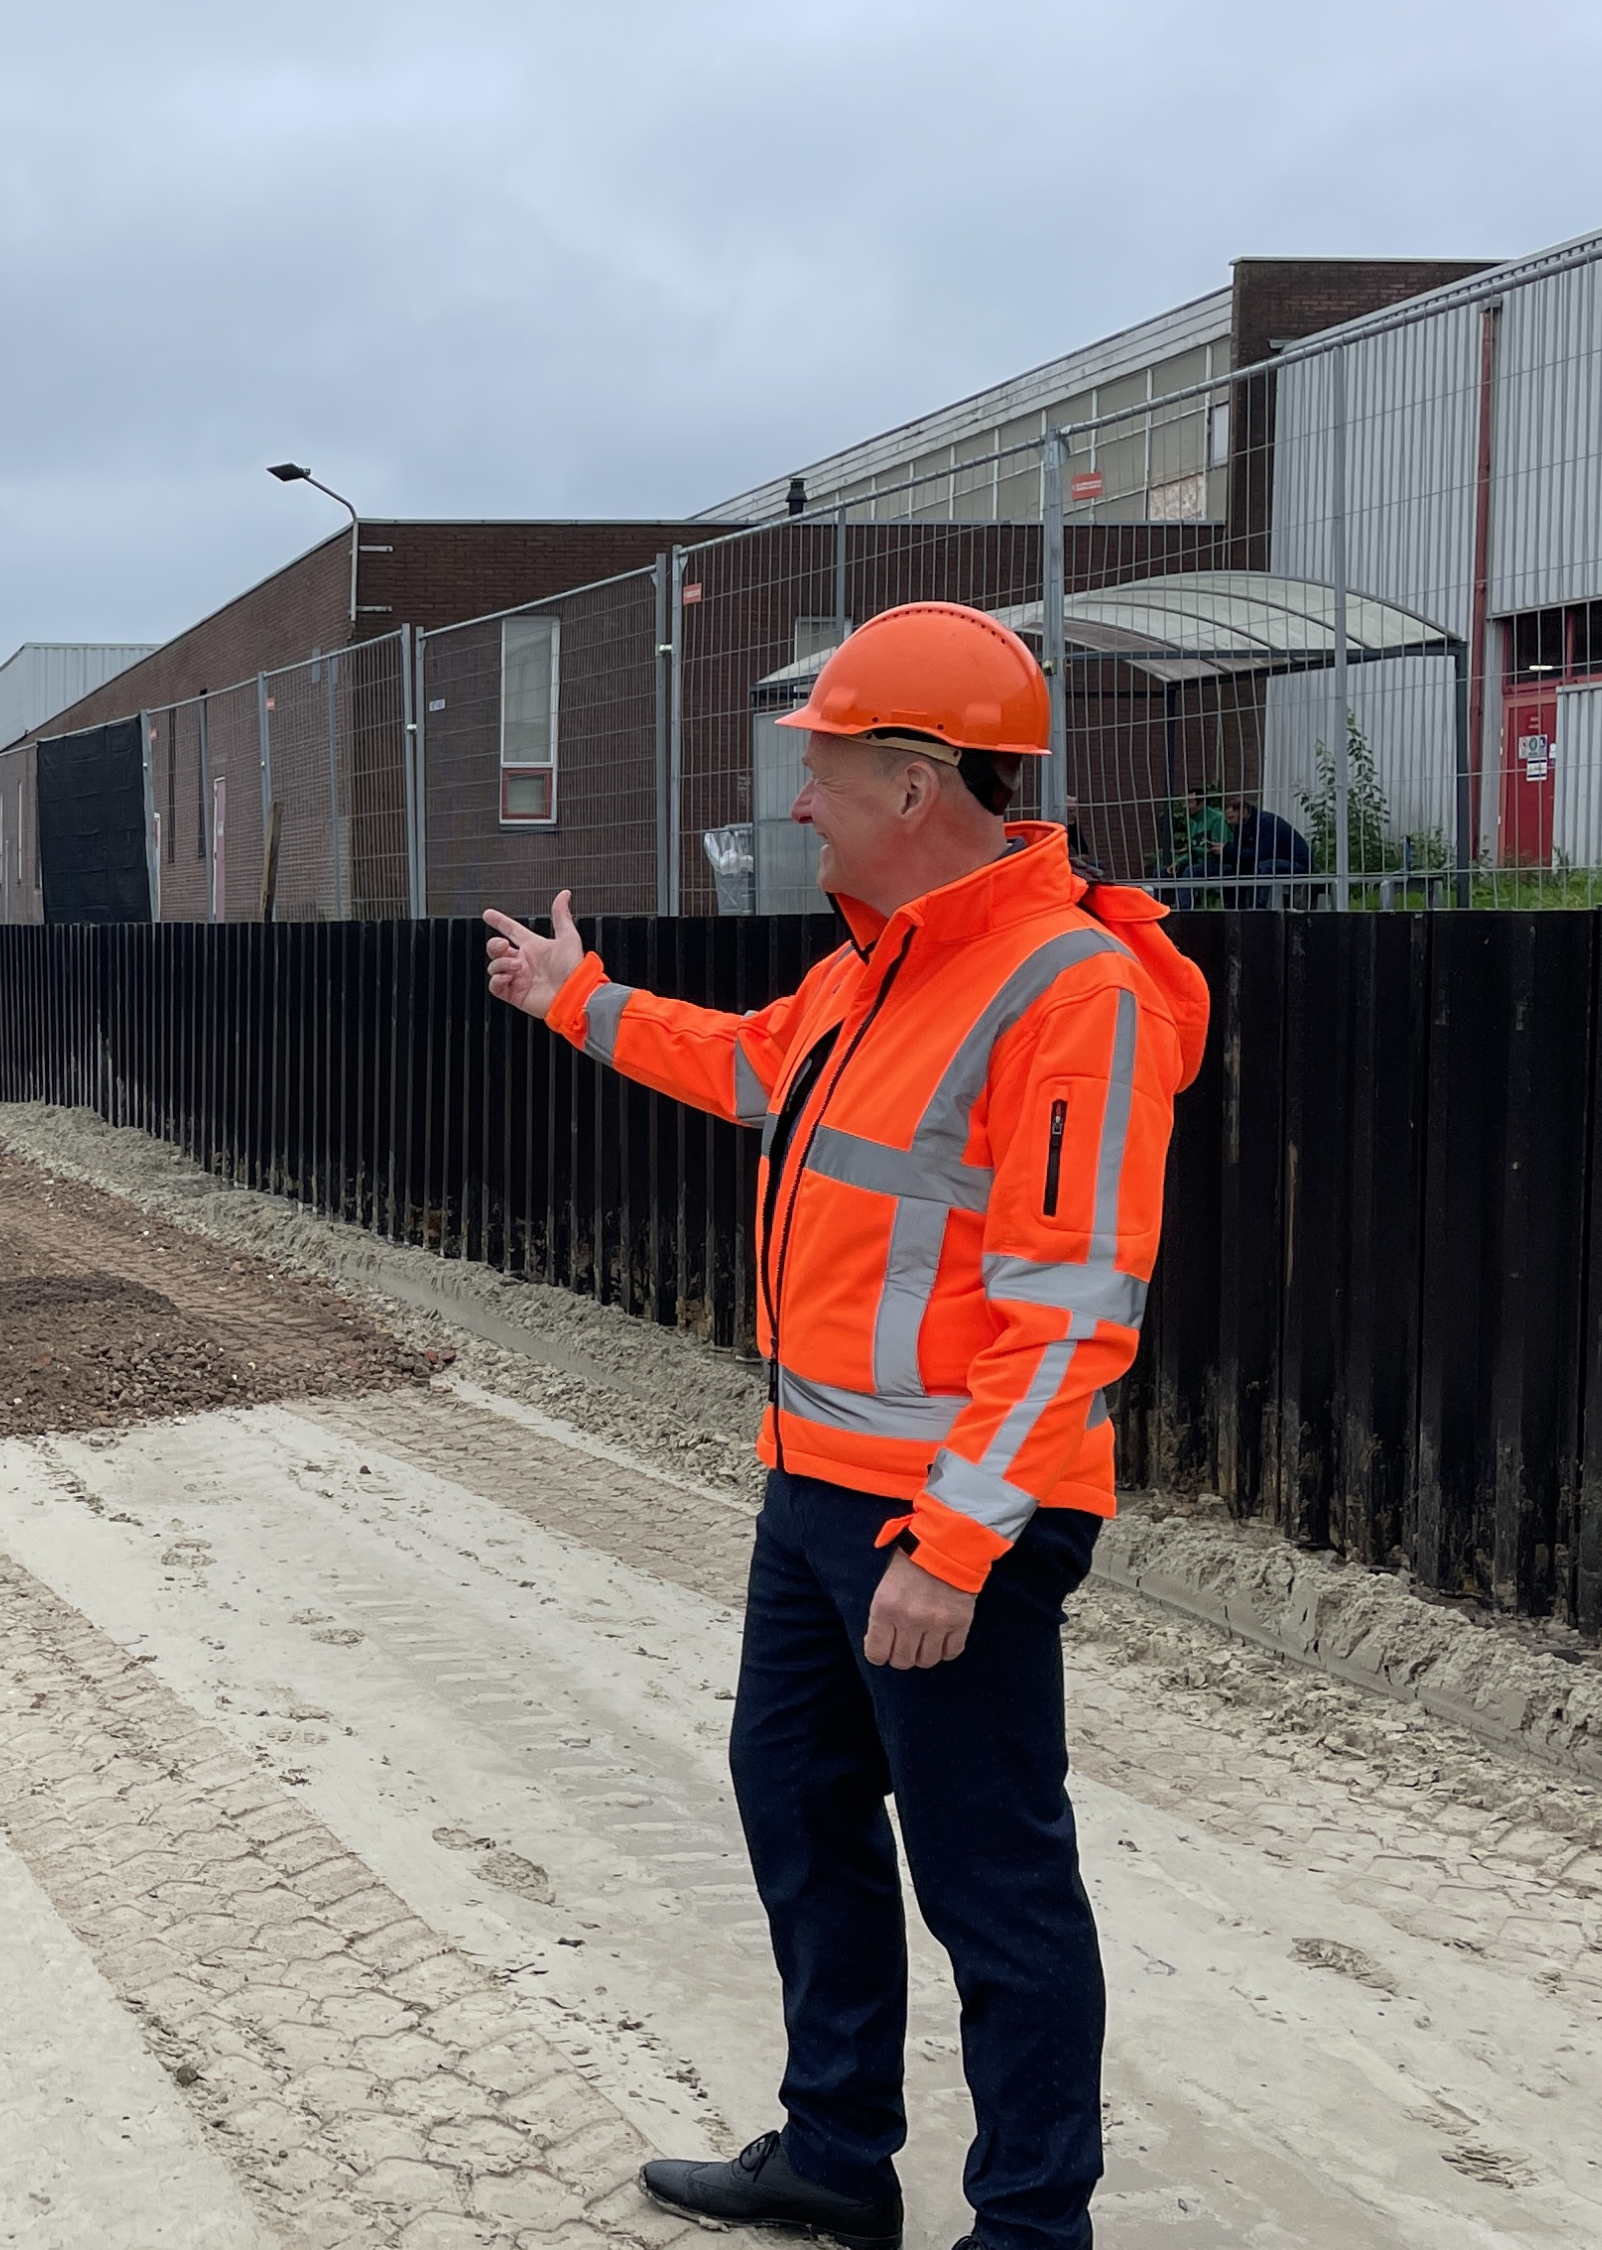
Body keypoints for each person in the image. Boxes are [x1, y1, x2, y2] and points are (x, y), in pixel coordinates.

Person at [482, 601, 1208, 2250]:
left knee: (992, 1882)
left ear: (918, 780)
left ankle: (1032, 2224)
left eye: (822, 772)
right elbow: (752, 1067)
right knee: (794, 1799)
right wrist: (576, 1000)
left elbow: (1077, 1305)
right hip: (811, 1484)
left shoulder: (1066, 987)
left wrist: (955, 1545)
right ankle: (834, 2153)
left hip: (950, 1518)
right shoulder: (874, 966)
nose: (797, 804)